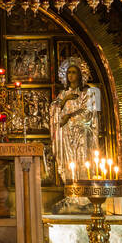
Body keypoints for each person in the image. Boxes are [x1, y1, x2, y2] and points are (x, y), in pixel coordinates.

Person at [50, 57, 101, 210]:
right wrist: (65, 100)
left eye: (74, 72)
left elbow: (89, 113)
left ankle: (84, 198)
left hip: (82, 134)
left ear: (80, 75)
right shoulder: (62, 95)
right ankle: (71, 195)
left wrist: (69, 116)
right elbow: (53, 114)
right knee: (68, 162)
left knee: (82, 161)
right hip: (66, 135)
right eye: (69, 72)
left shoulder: (89, 92)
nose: (71, 75)